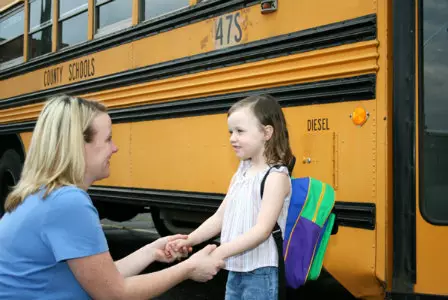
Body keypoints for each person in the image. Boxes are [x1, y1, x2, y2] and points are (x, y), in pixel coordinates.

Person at [0, 95, 224, 300]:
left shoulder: (41, 195)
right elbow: (114, 293)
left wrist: (151, 251)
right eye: (108, 139)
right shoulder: (67, 203)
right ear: (78, 146)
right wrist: (189, 268)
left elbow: (103, 277)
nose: (115, 148)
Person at [166, 94, 294, 300]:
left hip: (261, 273)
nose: (232, 138)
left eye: (240, 131)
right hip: (235, 270)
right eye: (231, 132)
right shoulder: (242, 172)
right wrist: (190, 239)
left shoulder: (275, 177)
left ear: (266, 133)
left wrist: (219, 252)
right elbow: (220, 218)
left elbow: (262, 231)